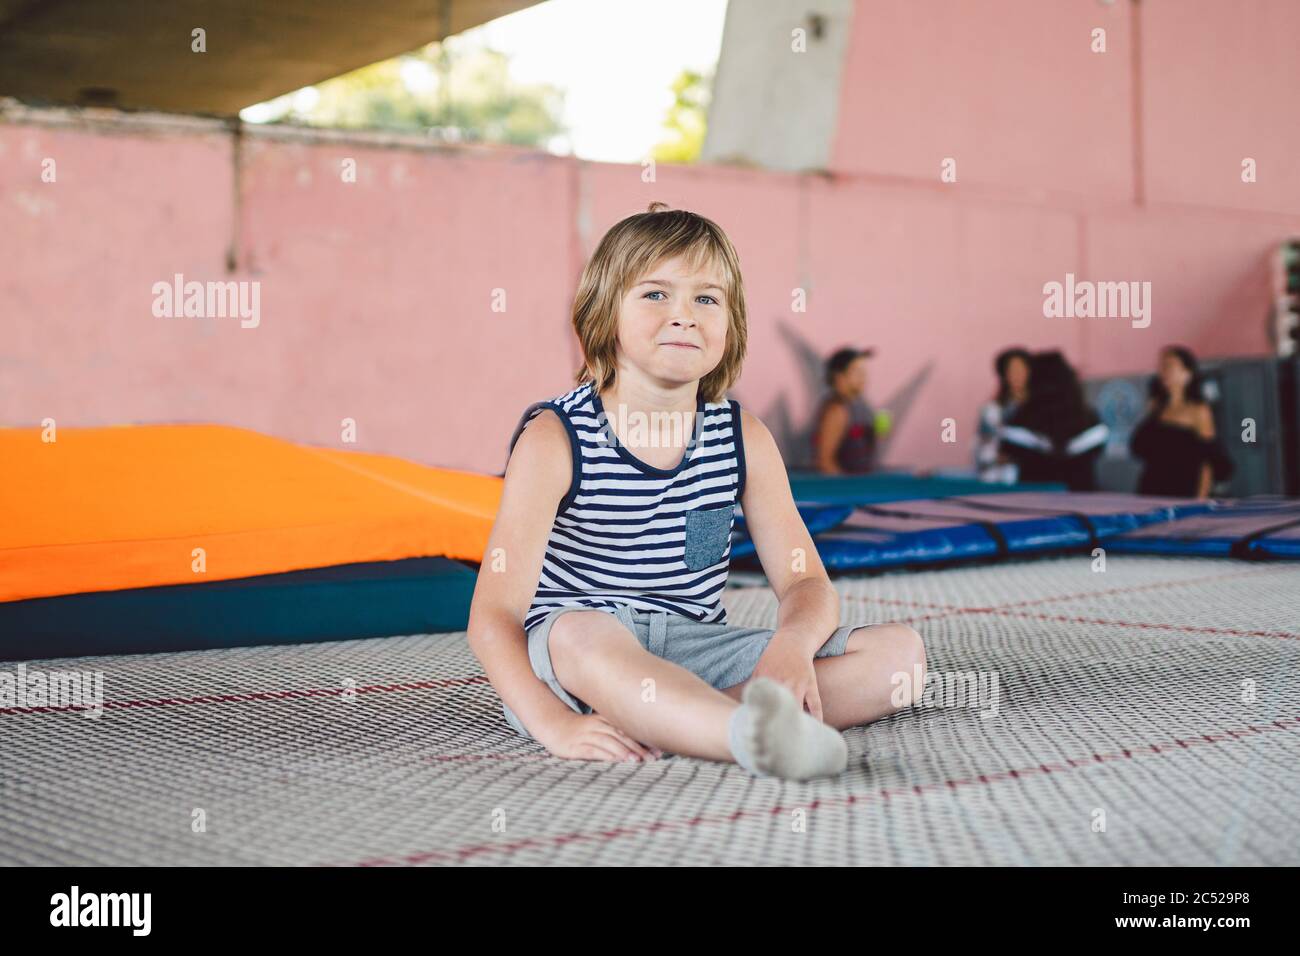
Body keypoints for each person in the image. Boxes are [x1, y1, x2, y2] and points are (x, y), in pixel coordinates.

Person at [467, 203, 925, 781]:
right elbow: (493, 615)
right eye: (655, 294)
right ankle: (743, 736)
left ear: (730, 325)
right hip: (582, 661)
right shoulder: (555, 438)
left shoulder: (743, 437)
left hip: (696, 647)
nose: (683, 316)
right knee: (579, 632)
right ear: (602, 318)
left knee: (897, 657)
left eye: (706, 299)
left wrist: (791, 645)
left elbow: (806, 580)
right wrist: (550, 723)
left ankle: (685, 721)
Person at [1130, 346, 1233, 498]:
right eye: (1161, 366)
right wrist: (1150, 415)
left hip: (1183, 490)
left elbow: (1209, 460)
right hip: (1152, 489)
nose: (1164, 371)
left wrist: (1201, 497)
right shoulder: (1157, 409)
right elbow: (1138, 448)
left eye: (1169, 366)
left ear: (1187, 373)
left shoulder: (1198, 411)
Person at [998, 350, 1108, 491]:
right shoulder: (1089, 419)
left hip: (1033, 503)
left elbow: (1006, 450)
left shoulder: (1021, 419)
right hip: (1082, 503)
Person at [811, 347, 889, 474]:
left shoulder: (852, 407)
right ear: (839, 376)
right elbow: (824, 460)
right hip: (845, 490)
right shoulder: (836, 411)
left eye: (864, 373)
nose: (863, 378)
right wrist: (845, 489)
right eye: (858, 372)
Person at [974, 347, 1030, 483]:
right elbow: (981, 446)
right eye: (1013, 371)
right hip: (1000, 477)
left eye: (1021, 370)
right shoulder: (992, 410)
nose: (1018, 375)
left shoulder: (1040, 408)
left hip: (1031, 477)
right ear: (1004, 375)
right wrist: (996, 456)